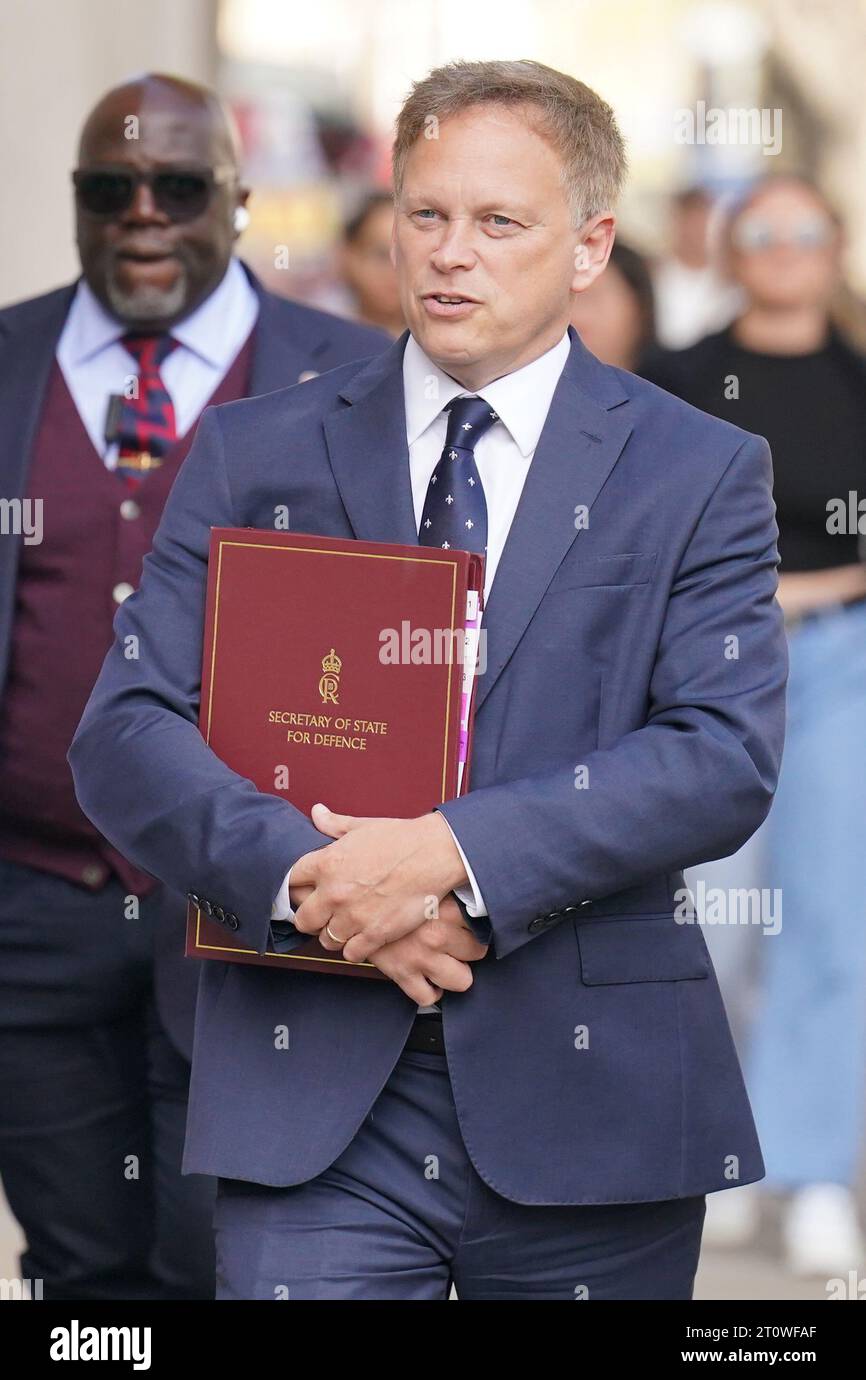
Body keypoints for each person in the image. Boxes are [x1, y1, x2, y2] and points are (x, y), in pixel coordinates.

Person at [70, 59, 787, 1301]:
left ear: (588, 245)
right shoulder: (255, 449)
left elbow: (718, 753)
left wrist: (450, 858)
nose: (450, 253)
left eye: (498, 222)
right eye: (425, 215)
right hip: (311, 1094)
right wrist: (309, 879)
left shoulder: (697, 469)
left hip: (590, 1103)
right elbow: (124, 731)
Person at [0, 72, 387, 1302]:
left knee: (222, 1260)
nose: (144, 216)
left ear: (236, 197)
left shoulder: (355, 377)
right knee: (77, 1271)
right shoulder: (5, 361)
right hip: (29, 901)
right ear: (78, 203)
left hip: (244, 909)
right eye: (111, 190)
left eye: (178, 185)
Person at [645, 173, 866, 1276]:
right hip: (709, 664)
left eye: (804, 231)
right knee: (711, 915)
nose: (783, 249)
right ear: (731, 247)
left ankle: (811, 1165)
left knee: (829, 919)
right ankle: (720, 1154)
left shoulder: (856, 377)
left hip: (842, 662)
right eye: (762, 230)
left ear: (833, 248)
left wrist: (819, 591)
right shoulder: (681, 378)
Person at [652, 185, 742, 349]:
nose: (696, 231)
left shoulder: (732, 282)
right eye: (689, 221)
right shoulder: (652, 275)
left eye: (702, 222)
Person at [569, 239, 656, 370]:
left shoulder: (674, 383)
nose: (575, 316)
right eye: (567, 298)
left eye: (590, 298)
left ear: (639, 308)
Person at [337, 191, 405, 336]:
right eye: (382, 255)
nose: (395, 269)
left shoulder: (439, 349)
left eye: (405, 257)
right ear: (348, 256)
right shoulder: (319, 336)